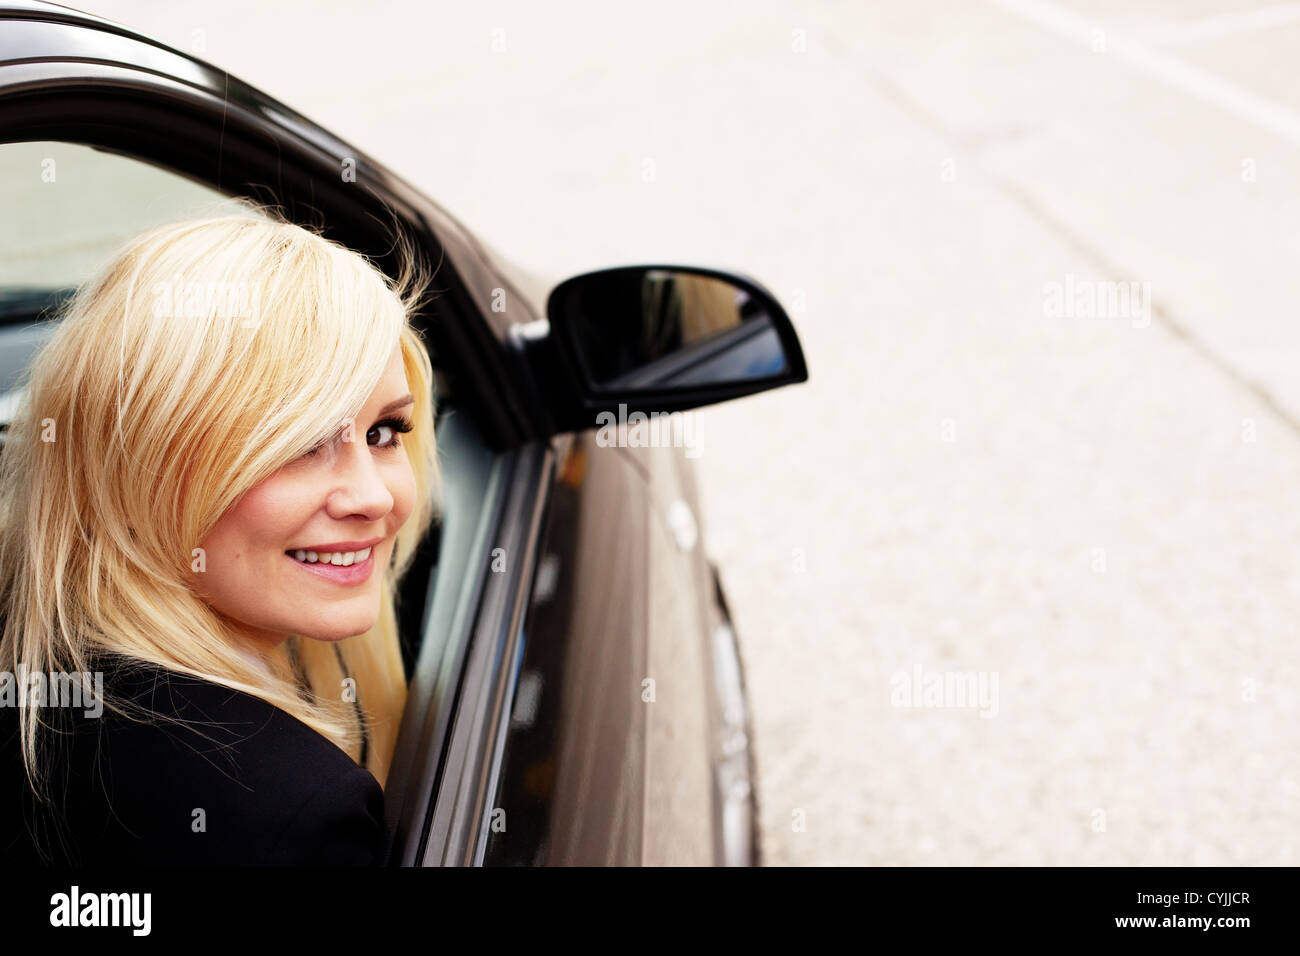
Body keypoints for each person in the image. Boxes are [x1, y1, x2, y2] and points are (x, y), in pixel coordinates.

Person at [0, 207, 441, 865]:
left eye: (384, 432)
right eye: (299, 442)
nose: (374, 497)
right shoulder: (290, 816)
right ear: (141, 466)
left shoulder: (42, 662)